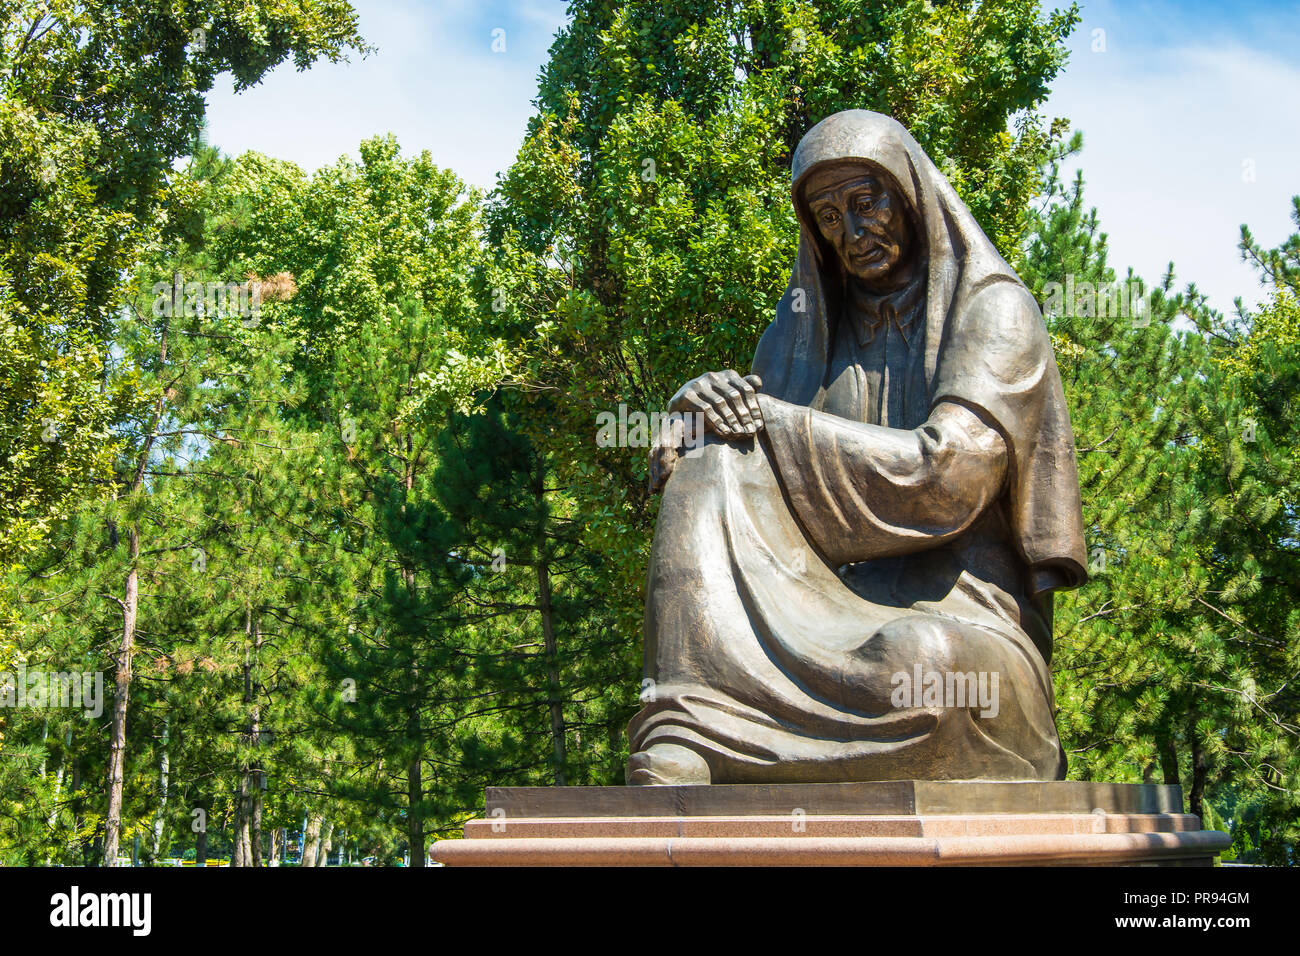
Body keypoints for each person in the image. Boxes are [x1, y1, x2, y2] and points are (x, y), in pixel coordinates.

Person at [626, 109, 1088, 785]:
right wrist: (698, 409)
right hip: (817, 614)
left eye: (865, 203)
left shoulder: (994, 312)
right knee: (711, 451)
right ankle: (688, 724)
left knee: (922, 666)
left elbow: (946, 481)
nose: (850, 230)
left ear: (910, 197)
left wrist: (769, 422)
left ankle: (740, 737)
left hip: (963, 621)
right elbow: (756, 455)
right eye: (828, 215)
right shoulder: (798, 334)